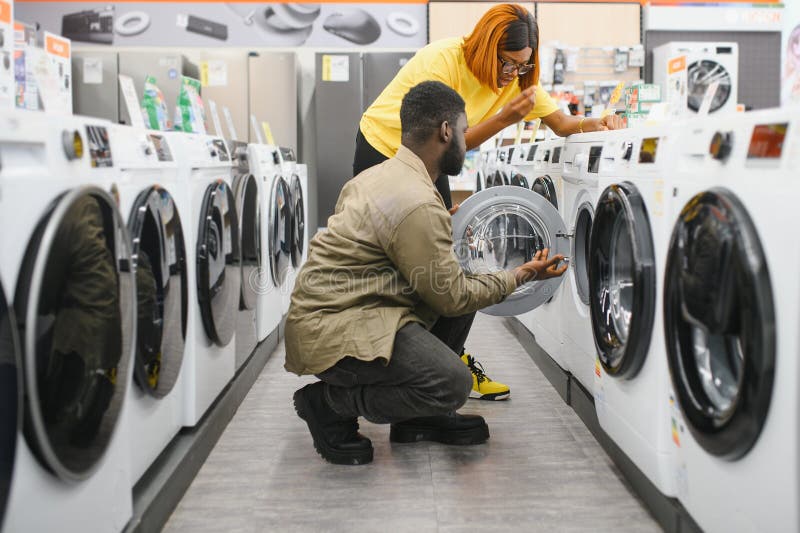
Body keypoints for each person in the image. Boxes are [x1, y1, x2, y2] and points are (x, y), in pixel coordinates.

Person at [285, 81, 568, 465]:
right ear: (446, 131)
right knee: (452, 383)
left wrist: (436, 231)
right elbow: (452, 296)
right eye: (465, 132)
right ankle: (329, 404)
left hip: (343, 310)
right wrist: (521, 275)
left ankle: (418, 419)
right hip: (337, 331)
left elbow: (394, 248)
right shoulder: (417, 199)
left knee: (463, 277)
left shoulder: (383, 176)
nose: (467, 143)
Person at [353, 3, 624, 400]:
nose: (512, 73)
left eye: (521, 65)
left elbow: (563, 123)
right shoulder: (442, 61)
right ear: (486, 46)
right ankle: (388, 370)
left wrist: (596, 123)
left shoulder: (516, 79)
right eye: (507, 62)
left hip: (429, 164)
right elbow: (442, 145)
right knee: (398, 267)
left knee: (450, 259)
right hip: (384, 149)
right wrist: (504, 120)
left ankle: (443, 367)